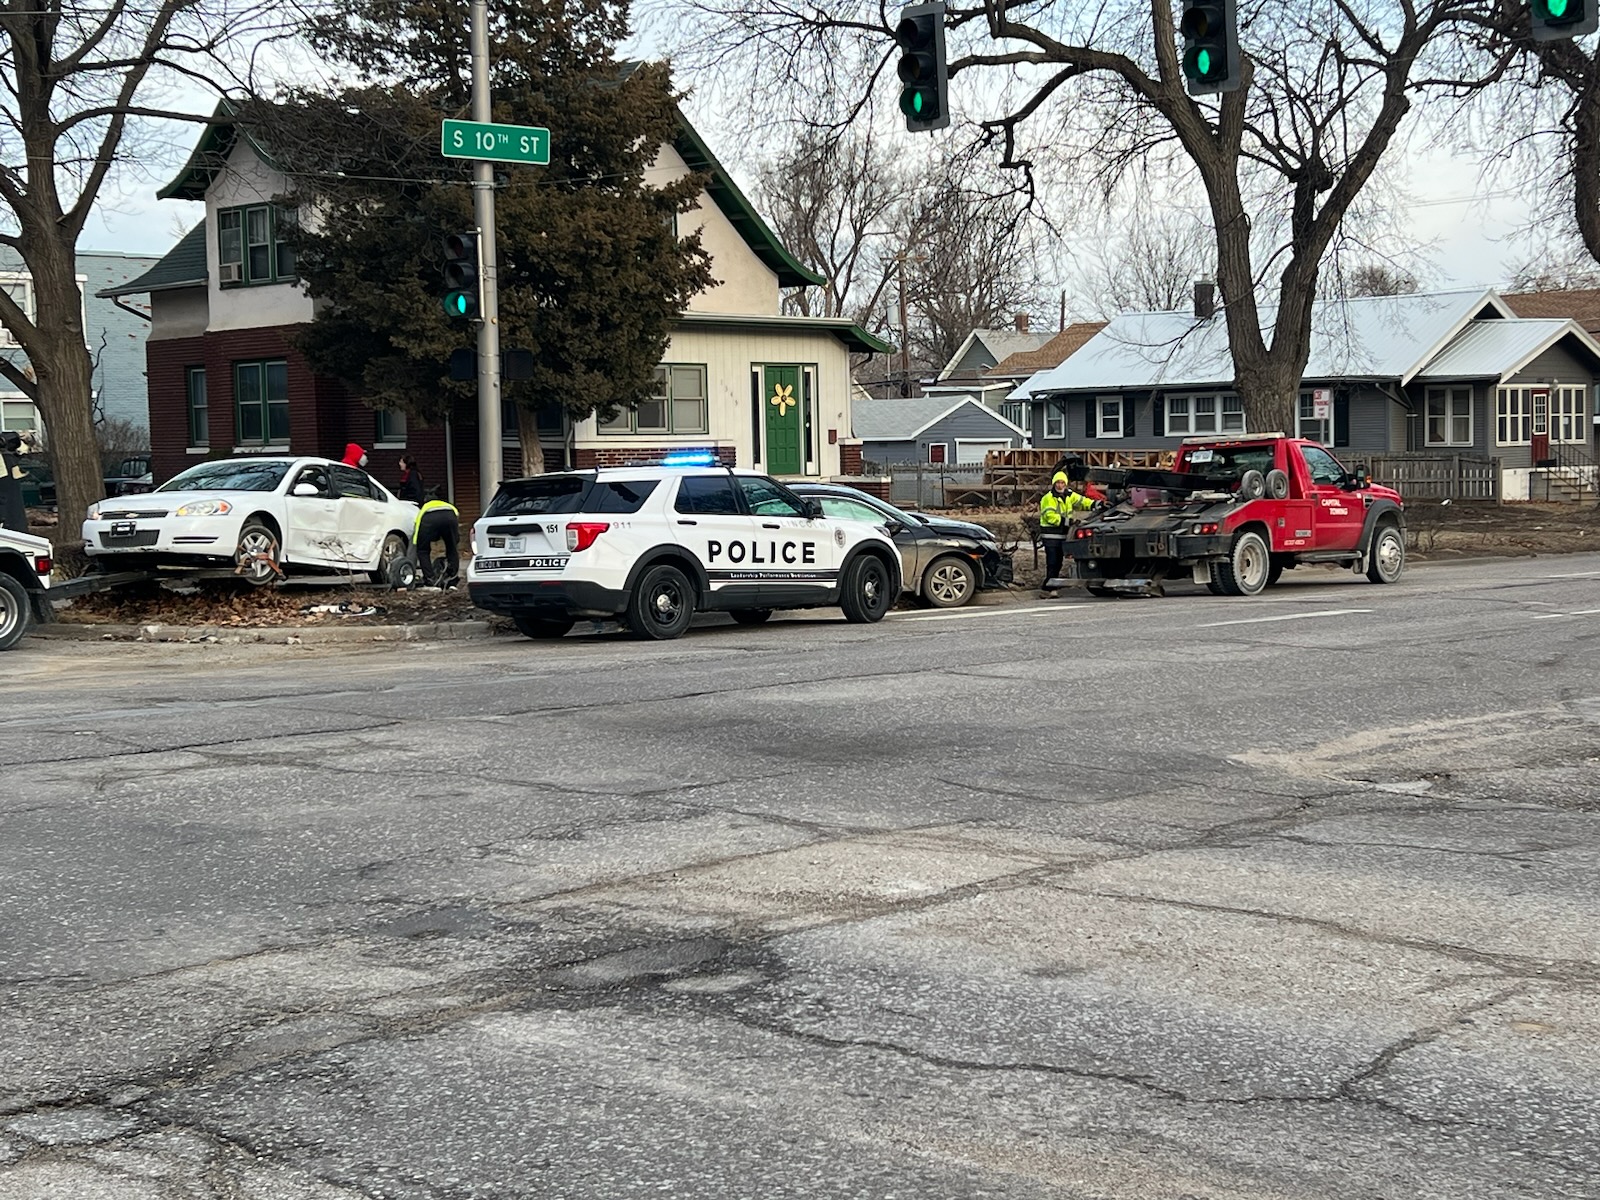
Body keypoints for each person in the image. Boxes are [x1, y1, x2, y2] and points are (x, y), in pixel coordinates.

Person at [1038, 469, 1095, 598]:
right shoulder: (1048, 498)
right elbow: (1049, 516)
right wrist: (1069, 521)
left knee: (1058, 563)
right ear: (1054, 484)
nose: (1060, 485)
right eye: (1058, 483)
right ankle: (1049, 588)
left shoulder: (1069, 495)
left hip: (1062, 535)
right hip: (1051, 536)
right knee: (1053, 562)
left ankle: (1049, 587)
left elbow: (1082, 501)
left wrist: (1096, 504)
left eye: (1062, 483)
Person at [414, 497, 460, 587]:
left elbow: (417, 527)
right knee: (452, 549)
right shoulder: (449, 506)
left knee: (423, 551)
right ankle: (452, 579)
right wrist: (454, 541)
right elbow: (456, 519)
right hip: (450, 516)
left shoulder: (424, 509)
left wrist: (417, 543)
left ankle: (430, 579)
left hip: (429, 518)